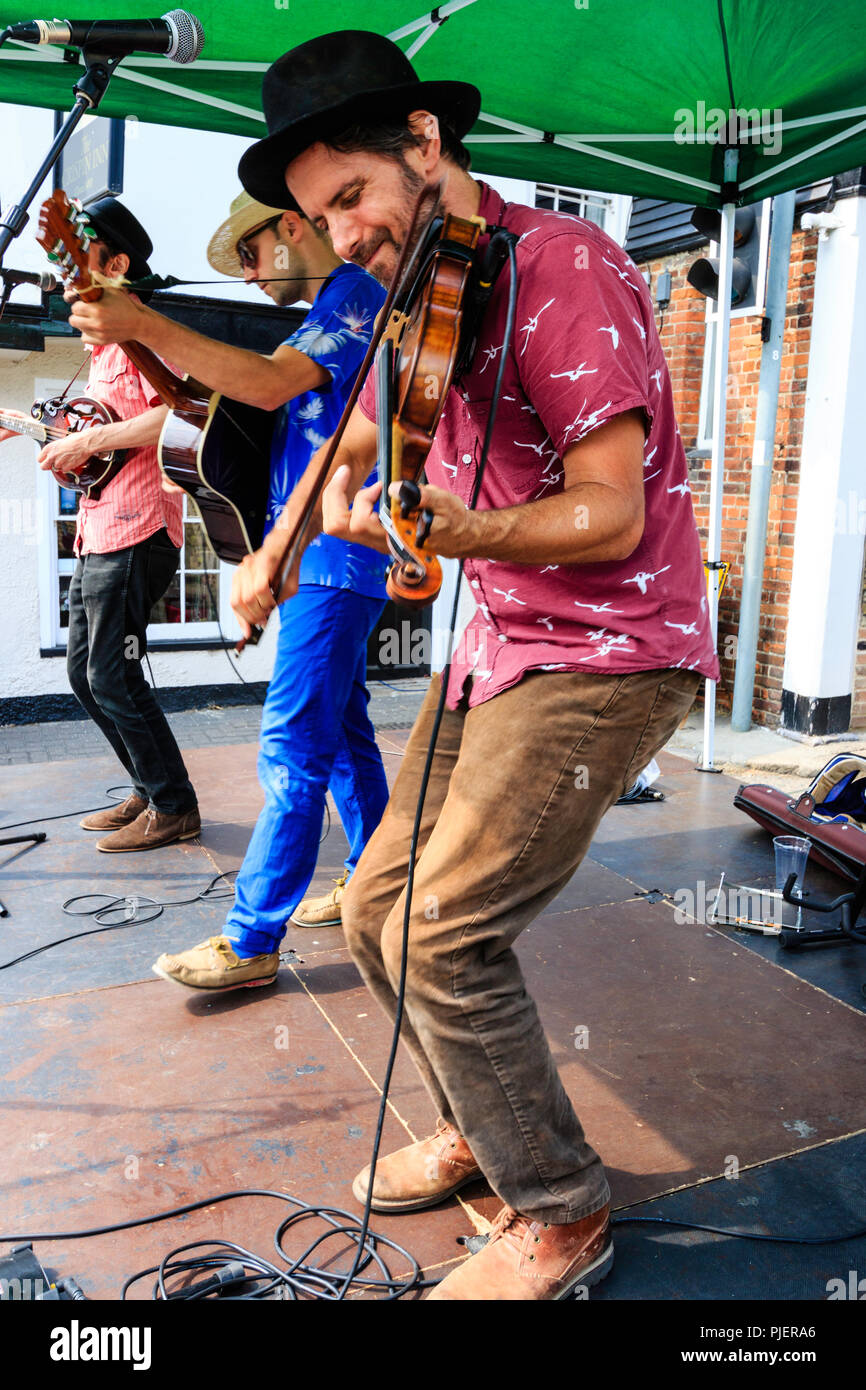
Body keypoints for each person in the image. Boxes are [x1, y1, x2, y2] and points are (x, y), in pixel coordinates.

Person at [230, 30, 721, 1301]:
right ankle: (481, 1122)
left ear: (426, 144)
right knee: (373, 911)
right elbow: (382, 477)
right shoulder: (421, 295)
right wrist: (340, 516)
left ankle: (558, 1211)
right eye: (312, 217)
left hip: (611, 650)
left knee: (445, 931)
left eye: (350, 197)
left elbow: (607, 513)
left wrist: (459, 533)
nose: (338, 234)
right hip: (499, 644)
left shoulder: (565, 269)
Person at [70, 190, 390, 991]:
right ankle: (379, 878)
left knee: (292, 748)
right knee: (344, 736)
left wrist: (143, 324)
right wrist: (140, 341)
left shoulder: (353, 294)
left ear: (289, 227)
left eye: (249, 253)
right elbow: (199, 405)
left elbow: (270, 385)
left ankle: (252, 940)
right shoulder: (318, 317)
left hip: (334, 554)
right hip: (314, 557)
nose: (246, 272)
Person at [0, 197, 199, 853]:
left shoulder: (142, 332)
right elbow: (100, 446)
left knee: (112, 674)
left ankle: (174, 806)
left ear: (115, 264)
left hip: (140, 529)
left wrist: (90, 443)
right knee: (84, 676)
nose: (61, 272)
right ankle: (147, 787)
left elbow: (179, 415)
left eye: (74, 257)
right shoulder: (100, 346)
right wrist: (49, 438)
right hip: (100, 526)